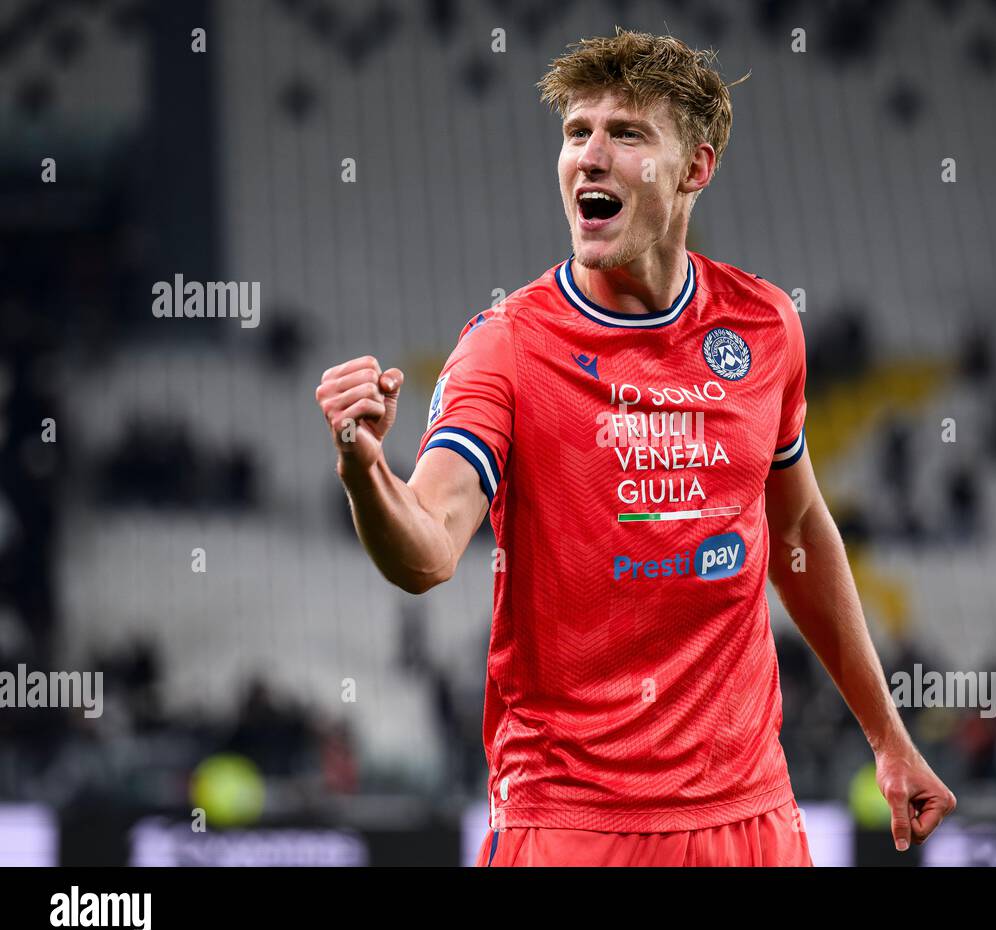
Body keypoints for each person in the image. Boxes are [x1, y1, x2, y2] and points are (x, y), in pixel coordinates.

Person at [314, 28, 954, 866]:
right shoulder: (506, 347)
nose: (589, 156)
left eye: (625, 134)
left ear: (694, 169)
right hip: (574, 824)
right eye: (576, 132)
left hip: (751, 818)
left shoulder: (763, 325)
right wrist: (365, 471)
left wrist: (888, 737)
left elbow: (797, 532)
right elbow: (427, 553)